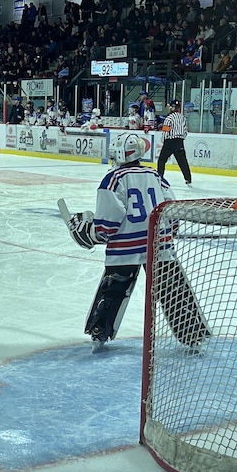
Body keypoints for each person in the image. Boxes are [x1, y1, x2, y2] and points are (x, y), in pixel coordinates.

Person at [64, 132, 208, 351]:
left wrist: (88, 233)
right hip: (159, 244)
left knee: (113, 290)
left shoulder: (113, 179)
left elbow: (106, 226)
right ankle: (193, 335)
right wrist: (172, 230)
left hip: (126, 248)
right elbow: (172, 208)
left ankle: (99, 333)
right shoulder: (155, 175)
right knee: (173, 289)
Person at [156, 100, 192, 186]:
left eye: (170, 107)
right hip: (179, 141)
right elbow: (185, 130)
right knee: (183, 162)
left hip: (169, 142)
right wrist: (181, 138)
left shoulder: (169, 118)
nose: (169, 108)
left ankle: (159, 178)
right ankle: (188, 179)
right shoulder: (182, 117)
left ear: (173, 107)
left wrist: (163, 140)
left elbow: (165, 131)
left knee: (161, 160)